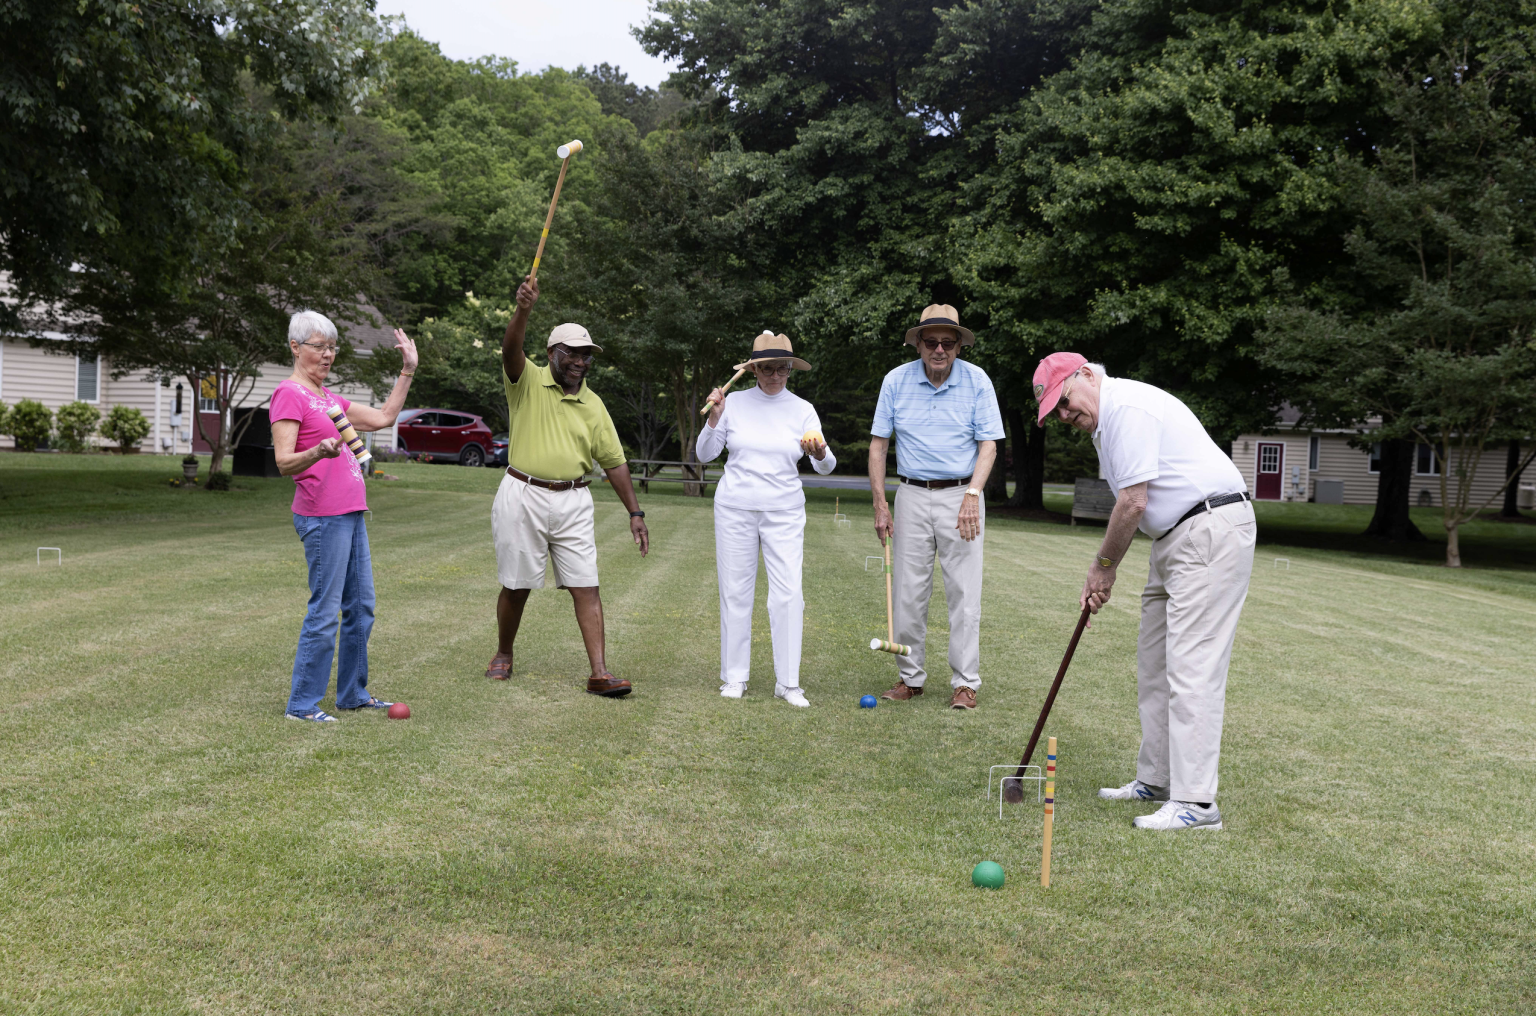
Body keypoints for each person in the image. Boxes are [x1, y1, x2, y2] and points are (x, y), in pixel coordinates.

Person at [1034, 352, 1255, 831]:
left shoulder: (1127, 407)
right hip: (1175, 538)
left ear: (1086, 376)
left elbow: (1133, 502)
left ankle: (1197, 805)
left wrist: (1103, 569)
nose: (1065, 416)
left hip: (1208, 528)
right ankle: (1156, 780)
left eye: (1066, 403)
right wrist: (1106, 570)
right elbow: (1136, 502)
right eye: (1057, 413)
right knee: (1155, 662)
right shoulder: (1106, 424)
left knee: (1192, 667)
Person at [486, 275, 650, 697]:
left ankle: (599, 673)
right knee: (518, 584)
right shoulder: (526, 382)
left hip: (574, 499)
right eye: (572, 353)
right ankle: (503, 653)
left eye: (586, 355)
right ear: (552, 353)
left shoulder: (594, 405)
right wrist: (523, 309)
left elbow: (613, 462)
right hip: (523, 493)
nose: (580, 361)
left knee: (586, 583)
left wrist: (635, 512)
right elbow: (510, 350)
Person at [271, 310, 418, 722]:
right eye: (319, 346)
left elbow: (385, 417)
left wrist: (407, 370)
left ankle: (352, 693)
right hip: (322, 516)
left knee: (361, 606)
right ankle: (301, 705)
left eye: (332, 347)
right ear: (296, 348)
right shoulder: (290, 394)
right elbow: (284, 462)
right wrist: (320, 451)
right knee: (325, 611)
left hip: (351, 513)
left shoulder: (329, 399)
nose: (328, 355)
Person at [868, 304, 1004, 710]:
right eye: (932, 342)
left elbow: (989, 445)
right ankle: (910, 678)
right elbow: (878, 445)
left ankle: (965, 683)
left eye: (948, 342)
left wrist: (973, 496)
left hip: (962, 494)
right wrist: (880, 504)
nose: (939, 349)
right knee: (908, 592)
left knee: (964, 592)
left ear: (959, 345)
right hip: (910, 494)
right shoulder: (895, 381)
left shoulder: (977, 381)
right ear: (919, 345)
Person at [696, 331, 838, 706]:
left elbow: (826, 467)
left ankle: (788, 683)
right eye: (767, 368)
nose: (775, 375)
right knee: (736, 591)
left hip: (785, 510)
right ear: (754, 369)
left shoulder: (803, 409)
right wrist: (715, 417)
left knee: (789, 593)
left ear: (790, 369)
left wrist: (820, 451)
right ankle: (734, 677)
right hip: (735, 509)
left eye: (783, 368)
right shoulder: (733, 404)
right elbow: (704, 455)